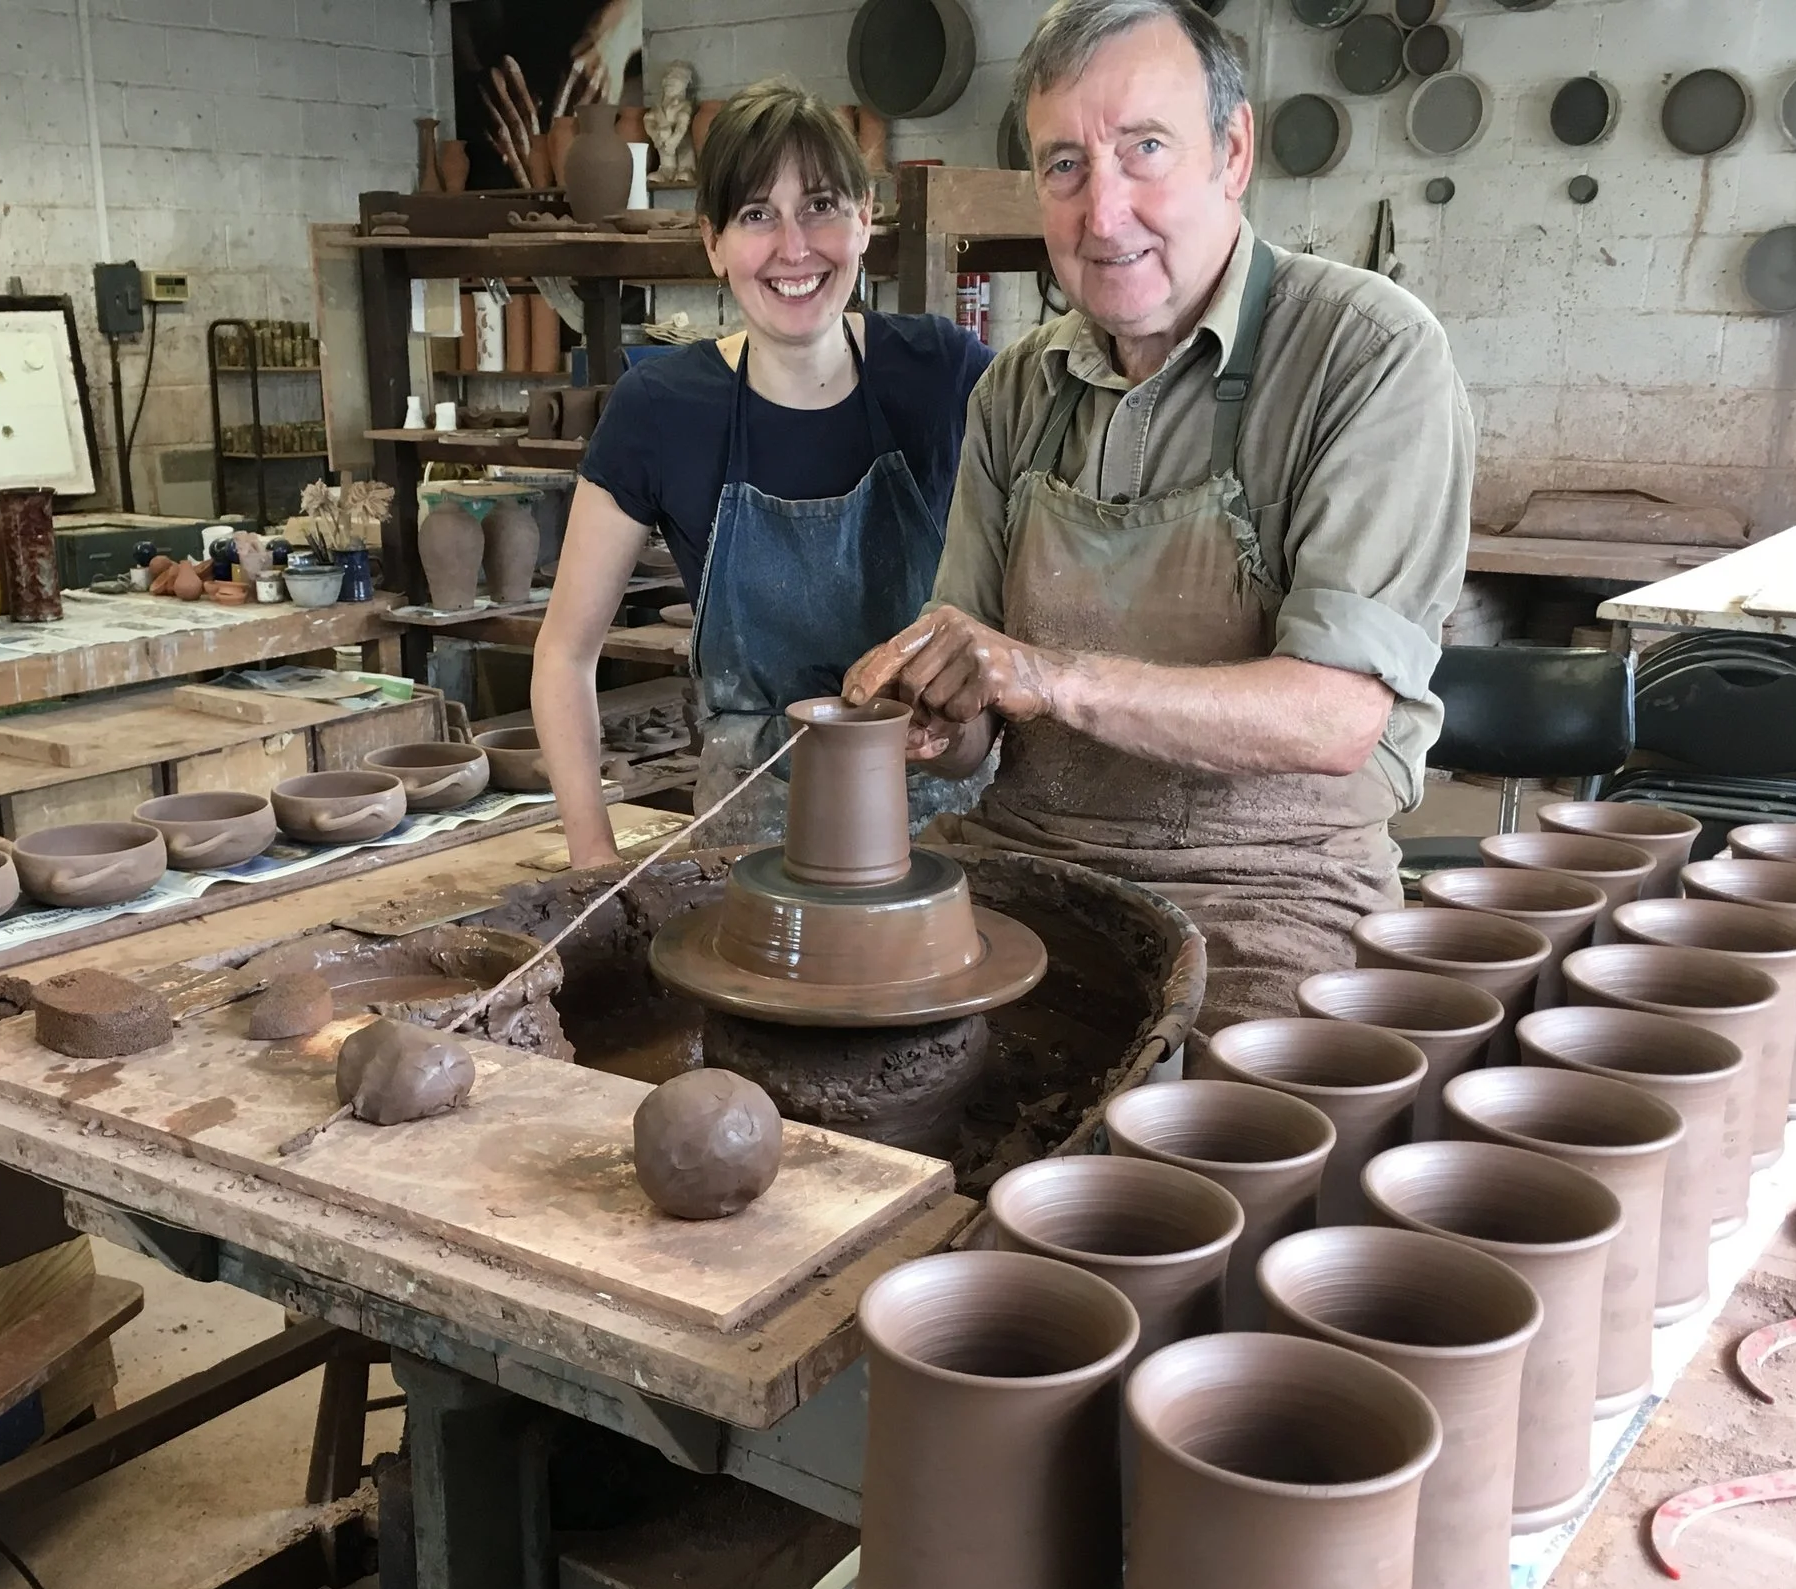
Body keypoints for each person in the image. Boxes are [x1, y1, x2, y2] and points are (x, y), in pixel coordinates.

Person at [842, 0, 1473, 1031]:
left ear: (1232, 152)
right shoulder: (1015, 392)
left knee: (1197, 1154)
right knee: (828, 1045)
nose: (1102, 213)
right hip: (1025, 861)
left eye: (1144, 150)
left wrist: (1045, 675)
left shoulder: (1364, 353)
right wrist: (933, 717)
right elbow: (973, 709)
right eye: (1064, 167)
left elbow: (1333, 718)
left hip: (1271, 886)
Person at [532, 82, 994, 866]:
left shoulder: (944, 374)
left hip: (950, 845)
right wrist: (596, 862)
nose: (792, 247)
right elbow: (563, 657)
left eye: (819, 206)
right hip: (748, 854)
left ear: (865, 218)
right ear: (712, 242)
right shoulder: (660, 407)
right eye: (756, 215)